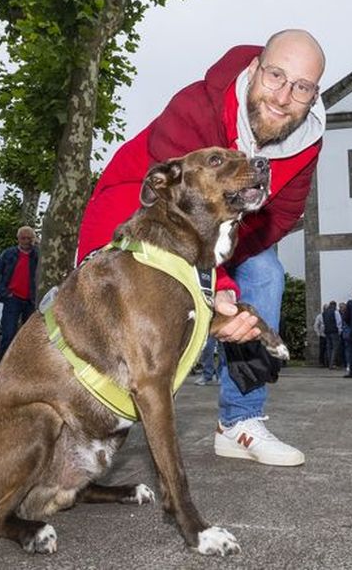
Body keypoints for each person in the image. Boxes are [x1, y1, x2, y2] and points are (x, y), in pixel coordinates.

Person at [76, 30, 326, 466]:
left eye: (301, 87)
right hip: (141, 210)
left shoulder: (308, 143)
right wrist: (218, 281)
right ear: (255, 69)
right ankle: (69, 389)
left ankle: (239, 423)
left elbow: (281, 216)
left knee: (267, 273)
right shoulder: (196, 106)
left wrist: (223, 277)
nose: (284, 97)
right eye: (275, 76)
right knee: (100, 310)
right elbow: (178, 211)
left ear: (314, 95)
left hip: (224, 232)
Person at [0, 226, 40, 366]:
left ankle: (24, 366)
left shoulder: (37, 255)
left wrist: (38, 245)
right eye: (23, 238)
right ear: (18, 239)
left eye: (29, 238)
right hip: (12, 299)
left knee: (29, 336)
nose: (26, 241)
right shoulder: (8, 254)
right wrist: (5, 293)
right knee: (9, 334)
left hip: (31, 301)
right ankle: (2, 365)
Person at [317, 301, 340, 369]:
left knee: (329, 348)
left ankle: (329, 363)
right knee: (335, 348)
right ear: (335, 306)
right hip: (334, 331)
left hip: (327, 332)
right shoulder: (335, 312)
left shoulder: (324, 313)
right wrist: (339, 331)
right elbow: (339, 323)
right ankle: (332, 364)